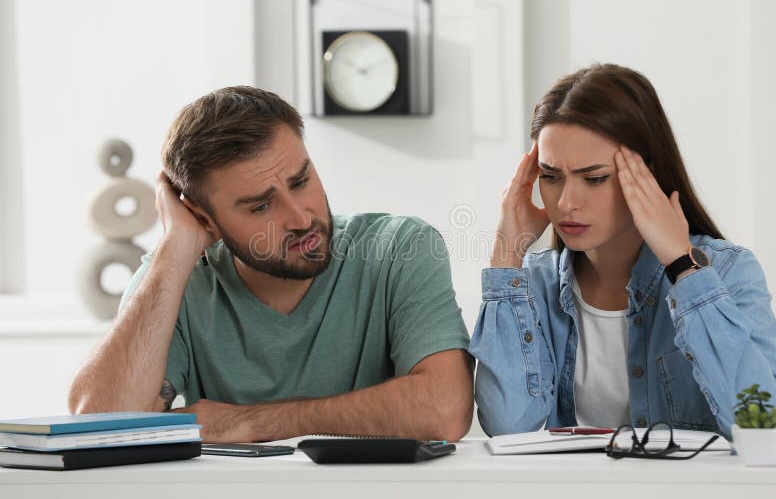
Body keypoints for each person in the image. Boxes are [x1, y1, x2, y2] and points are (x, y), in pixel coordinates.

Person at [68, 86, 474, 443]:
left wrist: (251, 422)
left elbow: (444, 410)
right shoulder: (173, 279)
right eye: (261, 205)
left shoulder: (398, 249)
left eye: (300, 181)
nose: (301, 218)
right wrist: (174, 249)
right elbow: (100, 426)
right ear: (205, 218)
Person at [469, 63, 776, 440]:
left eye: (595, 178)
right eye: (551, 177)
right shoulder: (533, 285)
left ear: (648, 173)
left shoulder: (729, 271)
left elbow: (759, 418)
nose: (567, 202)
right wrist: (506, 257)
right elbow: (507, 425)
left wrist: (683, 267)